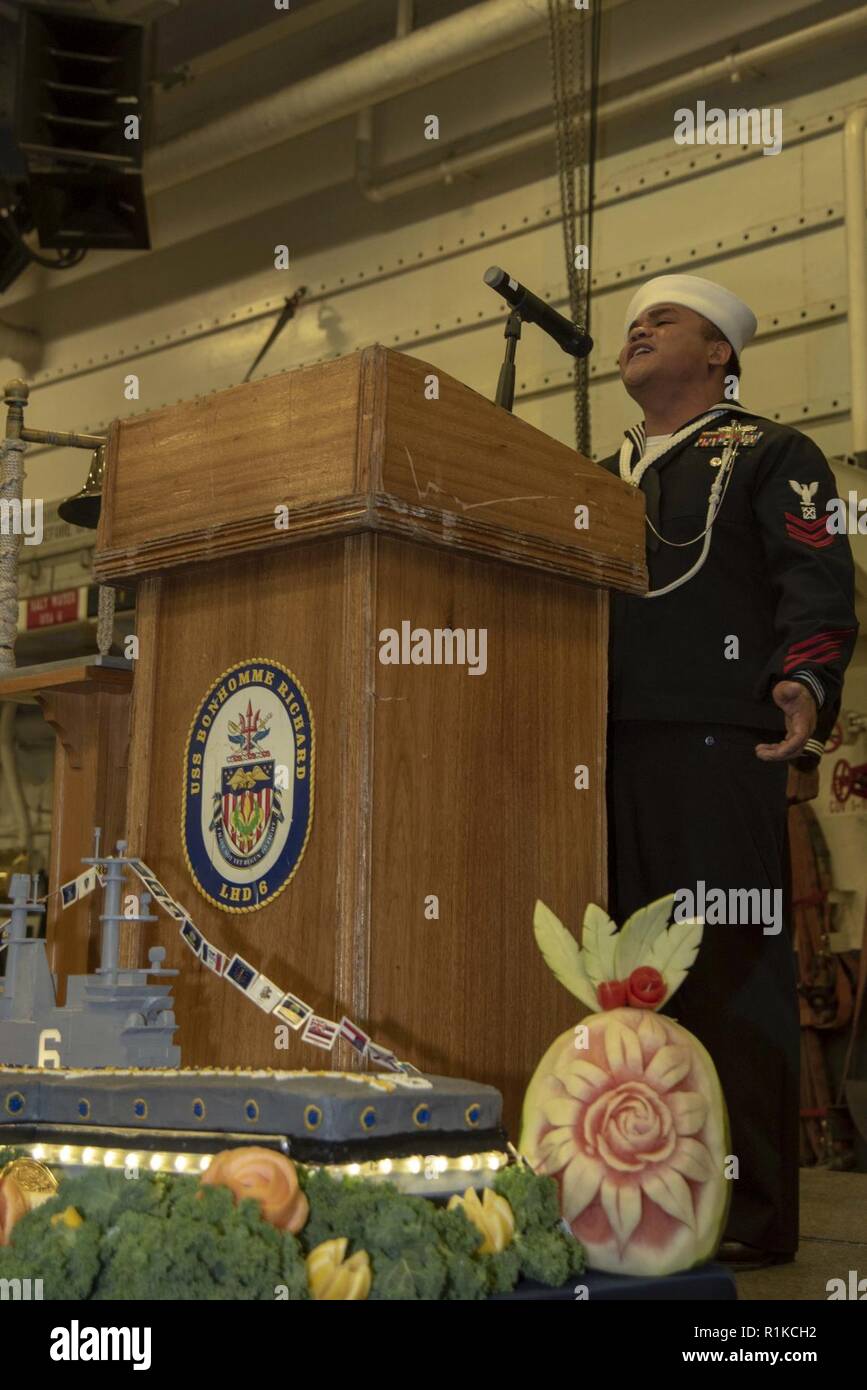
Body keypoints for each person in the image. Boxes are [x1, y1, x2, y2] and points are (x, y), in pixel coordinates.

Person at [597, 274, 858, 1268]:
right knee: (620, 980)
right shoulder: (595, 471)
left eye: (667, 319)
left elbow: (815, 572)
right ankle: (627, 1199)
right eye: (633, 322)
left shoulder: (773, 452)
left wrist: (805, 676)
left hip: (716, 744)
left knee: (731, 976)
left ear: (720, 357)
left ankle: (748, 1219)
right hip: (596, 750)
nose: (640, 327)